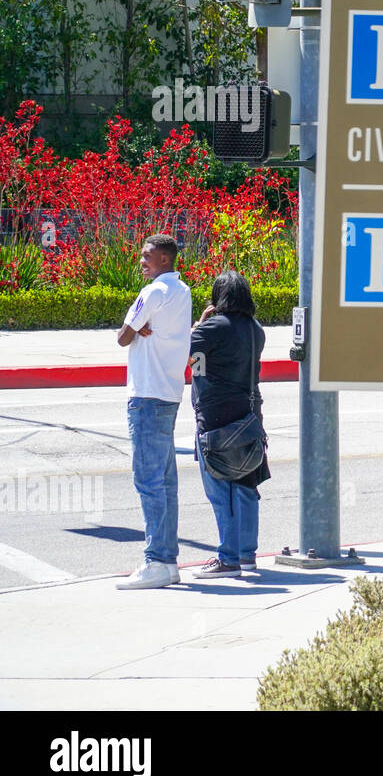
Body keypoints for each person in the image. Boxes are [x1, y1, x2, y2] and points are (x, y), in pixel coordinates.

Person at [115, 234, 192, 590]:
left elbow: (122, 337)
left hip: (145, 394)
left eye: (147, 256)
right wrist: (142, 328)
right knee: (165, 481)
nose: (141, 260)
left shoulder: (152, 292)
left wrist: (136, 328)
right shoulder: (183, 291)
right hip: (170, 392)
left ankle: (158, 560)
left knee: (148, 481)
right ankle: (168, 561)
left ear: (164, 258)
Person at [189, 270, 269, 579]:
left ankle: (228, 557)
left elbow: (193, 358)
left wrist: (201, 322)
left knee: (220, 488)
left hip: (216, 417)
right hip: (250, 416)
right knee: (247, 486)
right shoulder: (255, 329)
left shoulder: (212, 328)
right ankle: (247, 554)